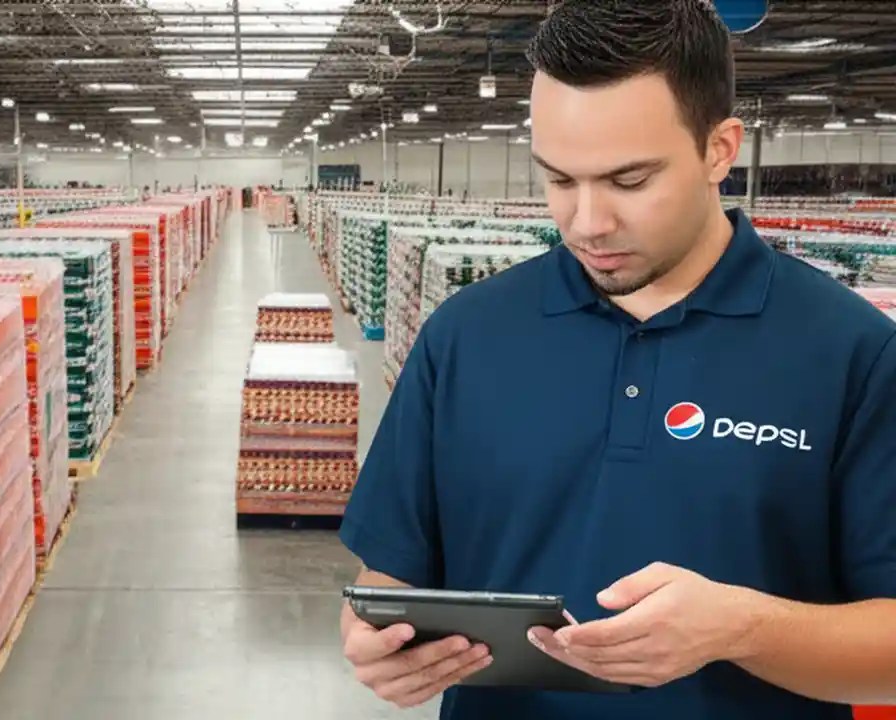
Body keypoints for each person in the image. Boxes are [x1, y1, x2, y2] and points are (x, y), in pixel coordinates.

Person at [337, 1, 896, 719]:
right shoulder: (467, 337)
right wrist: (380, 644)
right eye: (560, 180)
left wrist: (741, 628)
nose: (589, 222)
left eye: (629, 181)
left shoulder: (851, 352)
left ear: (720, 149)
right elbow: (391, 577)